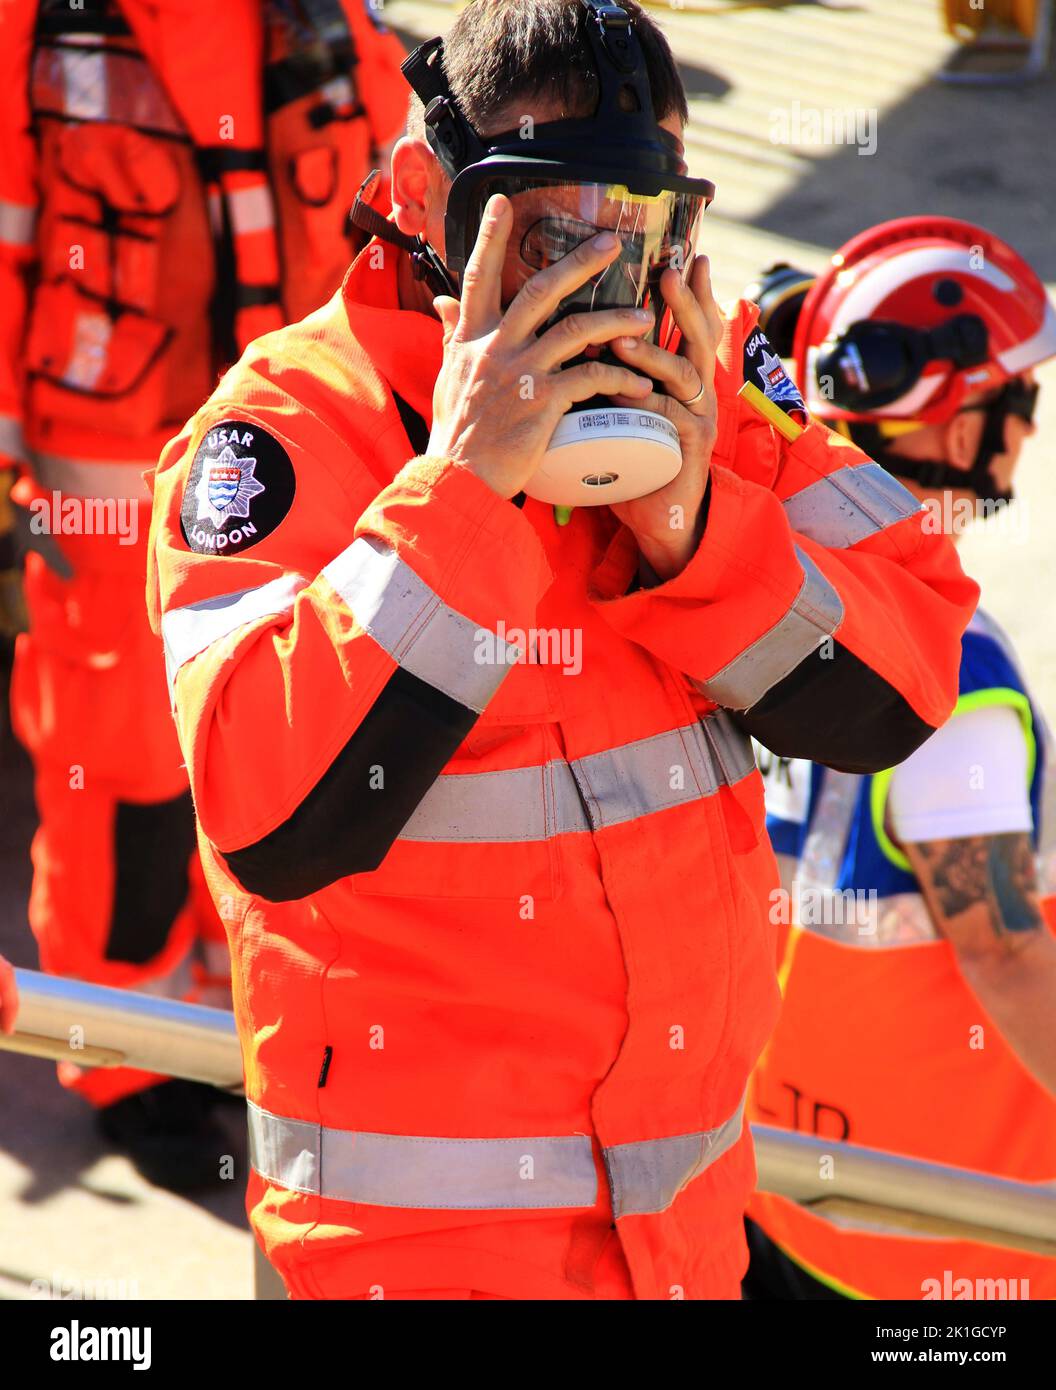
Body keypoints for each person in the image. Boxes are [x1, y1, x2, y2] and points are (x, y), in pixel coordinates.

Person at [147, 0, 976, 1300]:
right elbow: (276, 820)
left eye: (640, 231)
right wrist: (464, 488)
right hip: (414, 1273)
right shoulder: (286, 435)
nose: (596, 281)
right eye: (547, 231)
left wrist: (700, 530)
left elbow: (911, 679)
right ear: (426, 194)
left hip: (686, 1252)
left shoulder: (707, 406)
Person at [0, 0, 407, 1189]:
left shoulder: (315, 15)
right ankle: (122, 1059)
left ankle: (238, 1035)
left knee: (274, 759)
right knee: (120, 788)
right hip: (107, 457)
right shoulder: (44, 25)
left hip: (282, 451)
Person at [744, 216, 1056, 1300]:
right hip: (949, 1249)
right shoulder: (953, 675)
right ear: (948, 417)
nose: (1023, 432)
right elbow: (1003, 954)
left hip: (778, 1191)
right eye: (1015, 400)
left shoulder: (756, 585)